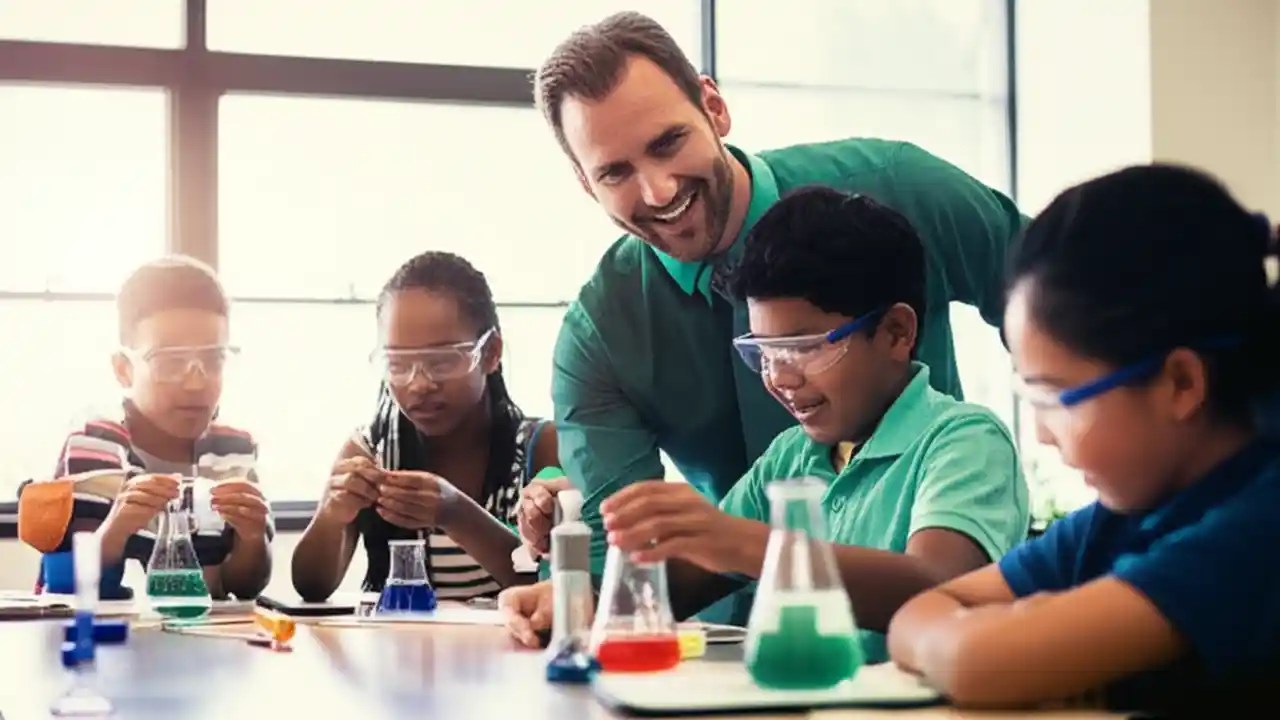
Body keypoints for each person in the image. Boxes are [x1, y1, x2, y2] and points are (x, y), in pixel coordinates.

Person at [525, 11, 1026, 573]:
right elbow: (613, 544)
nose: (659, 190)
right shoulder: (599, 336)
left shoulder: (901, 187)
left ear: (714, 107)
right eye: (615, 173)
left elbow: (1075, 313)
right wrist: (560, 581)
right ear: (584, 183)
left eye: (668, 143)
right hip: (732, 634)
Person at [501, 187, 1029, 662]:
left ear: (895, 332)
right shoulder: (790, 457)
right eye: (765, 353)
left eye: (801, 349)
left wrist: (743, 541)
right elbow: (680, 587)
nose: (780, 379)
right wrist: (577, 598)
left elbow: (940, 584)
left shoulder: (963, 440)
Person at [886, 165, 1280, 711]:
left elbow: (983, 665)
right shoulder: (1116, 521)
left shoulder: (1259, 528)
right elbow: (924, 608)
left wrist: (1003, 635)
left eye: (1056, 398)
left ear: (1181, 383)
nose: (1043, 435)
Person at [291, 252, 557, 602]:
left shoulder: (539, 447)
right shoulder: (372, 450)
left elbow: (546, 585)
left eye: (442, 361)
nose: (418, 384)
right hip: (396, 651)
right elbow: (311, 586)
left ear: (491, 353)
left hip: (512, 652)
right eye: (398, 364)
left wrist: (456, 512)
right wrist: (332, 515)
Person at [17, 255, 272, 600]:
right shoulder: (94, 444)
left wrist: (253, 537)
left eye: (213, 361)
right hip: (105, 643)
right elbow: (69, 580)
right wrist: (118, 526)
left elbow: (242, 586)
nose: (196, 383)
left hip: (205, 642)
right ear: (124, 369)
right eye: (170, 362)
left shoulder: (232, 451)